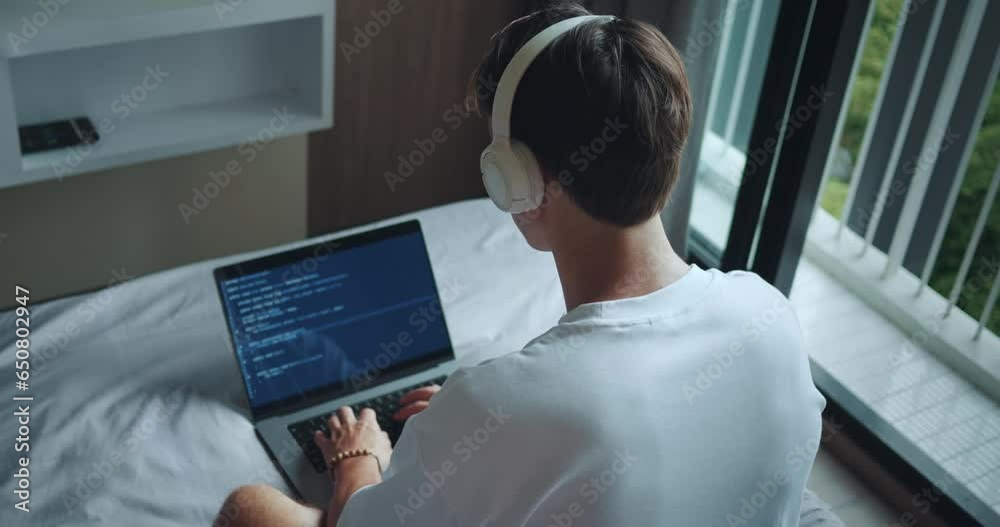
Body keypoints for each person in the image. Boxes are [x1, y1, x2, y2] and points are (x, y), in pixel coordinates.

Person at [217, 3, 827, 526]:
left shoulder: (505, 403)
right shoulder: (769, 316)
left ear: (520, 182)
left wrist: (359, 459)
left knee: (250, 506)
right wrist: (474, 438)